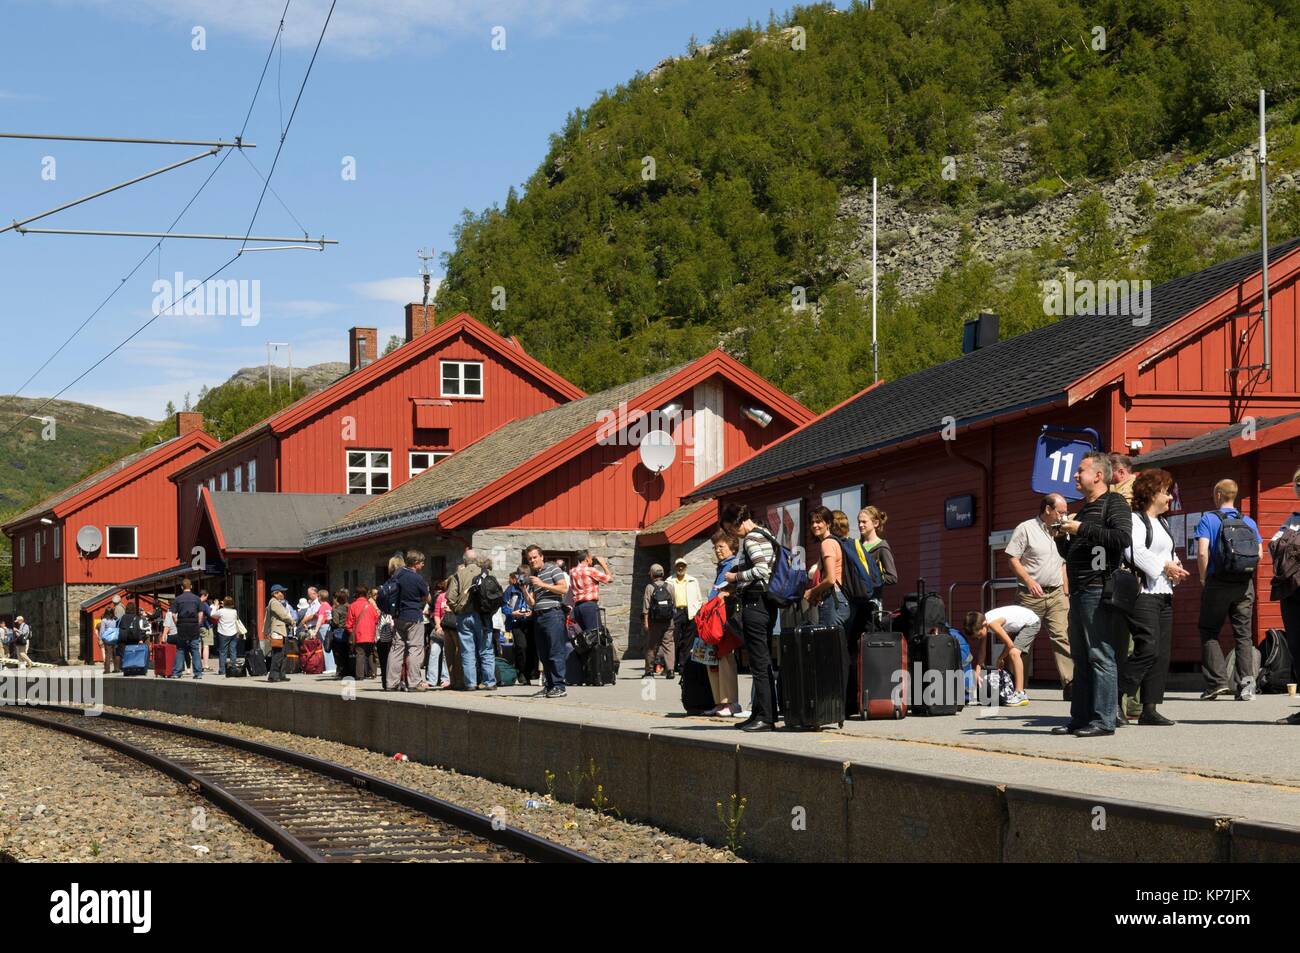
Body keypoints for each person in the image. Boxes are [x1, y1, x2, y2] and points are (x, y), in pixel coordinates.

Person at [1052, 451, 1132, 737]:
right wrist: (1063, 539)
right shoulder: (1084, 509)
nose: (1075, 475)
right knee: (1082, 657)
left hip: (1099, 587)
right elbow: (1076, 550)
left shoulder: (1114, 502)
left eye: (1081, 470)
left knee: (1100, 654)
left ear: (1098, 475)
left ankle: (1104, 720)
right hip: (1080, 590)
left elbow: (1122, 539)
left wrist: (1081, 528)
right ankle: (1080, 718)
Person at [1119, 468, 1188, 726]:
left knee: (1161, 653)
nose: (1170, 498)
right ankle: (1115, 695)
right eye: (1166, 492)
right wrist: (1163, 568)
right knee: (1147, 648)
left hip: (1164, 593)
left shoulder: (1164, 523)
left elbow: (1168, 553)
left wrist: (1176, 567)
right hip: (1143, 593)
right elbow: (1132, 550)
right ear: (1151, 493)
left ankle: (1150, 708)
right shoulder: (1136, 520)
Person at [1192, 479, 1263, 701]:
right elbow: (1259, 554)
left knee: (1209, 630)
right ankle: (1247, 684)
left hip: (1218, 582)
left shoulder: (1209, 519)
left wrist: (1204, 577)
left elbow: (1203, 553)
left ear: (1219, 495)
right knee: (1243, 635)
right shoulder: (1248, 521)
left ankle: (1217, 683)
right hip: (1243, 584)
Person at [1006, 493, 1073, 700]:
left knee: (1063, 637)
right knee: (1023, 641)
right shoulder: (1026, 528)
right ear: (1048, 510)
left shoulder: (1063, 531)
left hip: (1056, 594)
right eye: (1061, 512)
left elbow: (1063, 563)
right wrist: (1029, 581)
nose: (1064, 516)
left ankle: (1071, 686)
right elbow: (1012, 558)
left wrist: (1066, 592)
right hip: (1030, 595)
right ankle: (1018, 687)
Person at [721, 502, 779, 732]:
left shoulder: (753, 538)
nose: (732, 534)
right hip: (765, 604)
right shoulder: (766, 533)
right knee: (760, 661)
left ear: (738, 522)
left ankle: (765, 716)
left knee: (759, 661)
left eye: (731, 529)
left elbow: (762, 570)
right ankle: (759, 712)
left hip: (756, 605)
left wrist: (734, 577)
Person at [694, 529, 742, 717]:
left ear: (732, 547)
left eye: (721, 546)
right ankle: (719, 701)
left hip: (724, 618)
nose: (717, 550)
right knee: (713, 659)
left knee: (725, 659)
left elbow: (734, 589)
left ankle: (730, 702)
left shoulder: (735, 565)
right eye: (715, 547)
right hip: (714, 618)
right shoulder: (722, 566)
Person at [1270, 467, 1300, 725]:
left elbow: (1279, 544)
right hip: (1291, 590)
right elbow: (1273, 544)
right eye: (1298, 484)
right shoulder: (1292, 519)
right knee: (1297, 646)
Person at [963, 606, 1038, 706]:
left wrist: (1000, 658)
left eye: (979, 634)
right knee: (1009, 654)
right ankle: (1011, 690)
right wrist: (978, 670)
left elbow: (1010, 645)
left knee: (1013, 653)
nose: (979, 637)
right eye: (977, 637)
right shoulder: (983, 622)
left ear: (984, 624)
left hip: (1031, 623)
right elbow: (982, 650)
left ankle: (1020, 693)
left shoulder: (993, 623)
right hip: (1018, 626)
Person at [380, 551, 431, 691]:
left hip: (398, 616)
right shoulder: (417, 578)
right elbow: (427, 598)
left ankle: (391, 683)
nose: (423, 564)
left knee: (396, 649)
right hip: (414, 616)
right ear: (415, 563)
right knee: (415, 649)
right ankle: (414, 682)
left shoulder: (397, 575)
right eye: (421, 562)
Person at [522, 544, 569, 698]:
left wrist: (542, 584)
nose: (532, 561)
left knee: (555, 651)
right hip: (539, 615)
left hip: (553, 614)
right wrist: (524, 590)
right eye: (530, 559)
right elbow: (533, 603)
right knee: (543, 653)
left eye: (535, 557)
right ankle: (549, 686)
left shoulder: (553, 569)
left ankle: (559, 686)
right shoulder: (536, 575)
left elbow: (563, 588)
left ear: (542, 557)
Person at [805, 506, 848, 629]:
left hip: (834, 599)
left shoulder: (827, 544)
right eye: (812, 522)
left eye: (818, 521)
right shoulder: (835, 541)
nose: (814, 525)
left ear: (828, 523)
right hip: (841, 599)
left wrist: (811, 592)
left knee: (828, 644)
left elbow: (830, 579)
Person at [668, 558, 703, 675]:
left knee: (688, 641)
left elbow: (699, 598)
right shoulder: (669, 581)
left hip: (690, 612)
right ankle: (673, 665)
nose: (680, 568)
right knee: (675, 639)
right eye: (678, 566)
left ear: (686, 567)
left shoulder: (693, 580)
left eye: (682, 566)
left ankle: (684, 666)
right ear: (675, 567)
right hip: (675, 612)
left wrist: (696, 609)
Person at [642, 564, 675, 678]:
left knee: (651, 645)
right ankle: (670, 670)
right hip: (668, 620)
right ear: (662, 574)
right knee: (669, 644)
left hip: (654, 621)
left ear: (651, 574)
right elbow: (673, 603)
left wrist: (646, 622)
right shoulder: (670, 586)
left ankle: (649, 670)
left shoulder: (650, 587)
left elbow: (646, 607)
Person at [569, 550, 612, 633]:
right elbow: (609, 579)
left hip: (577, 607)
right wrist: (603, 564)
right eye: (591, 558)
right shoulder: (590, 570)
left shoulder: (572, 571)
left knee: (585, 637)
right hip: (589, 606)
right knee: (595, 636)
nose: (592, 560)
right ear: (587, 559)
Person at [376, 554, 403, 689]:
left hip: (385, 620)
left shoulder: (386, 585)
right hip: (399, 618)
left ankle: (385, 681)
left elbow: (379, 603)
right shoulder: (402, 583)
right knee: (399, 651)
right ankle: (397, 680)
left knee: (384, 650)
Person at [503, 571, 533, 686]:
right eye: (521, 577)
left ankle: (528, 674)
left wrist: (532, 613)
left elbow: (536, 604)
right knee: (521, 647)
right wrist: (512, 613)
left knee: (531, 649)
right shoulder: (511, 590)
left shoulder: (533, 588)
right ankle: (521, 672)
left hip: (530, 622)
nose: (523, 580)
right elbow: (503, 607)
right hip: (516, 622)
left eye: (525, 577)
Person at [171, 579, 204, 679]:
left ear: (182, 587)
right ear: (191, 587)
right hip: (193, 625)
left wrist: (177, 623)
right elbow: (201, 613)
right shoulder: (197, 599)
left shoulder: (178, 599)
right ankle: (198, 673)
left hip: (182, 625)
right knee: (195, 649)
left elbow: (173, 614)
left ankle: (177, 672)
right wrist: (197, 624)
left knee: (180, 649)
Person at [263, 584, 295, 681]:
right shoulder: (274, 602)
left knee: (283, 654)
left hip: (281, 631)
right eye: (281, 592)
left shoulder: (275, 602)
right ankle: (274, 675)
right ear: (275, 593)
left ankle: (281, 674)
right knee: (278, 654)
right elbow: (283, 615)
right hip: (278, 631)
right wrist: (292, 621)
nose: (283, 594)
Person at [347, 587, 379, 679]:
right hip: (370, 633)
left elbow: (349, 622)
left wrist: (350, 632)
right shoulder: (370, 606)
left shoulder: (353, 605)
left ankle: (360, 675)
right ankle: (373, 673)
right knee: (370, 653)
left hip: (358, 633)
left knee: (360, 654)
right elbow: (376, 619)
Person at [426, 578, 452, 689]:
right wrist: (437, 625)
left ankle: (445, 679)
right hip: (439, 629)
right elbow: (436, 613)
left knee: (446, 655)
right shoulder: (441, 597)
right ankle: (431, 679)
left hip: (449, 629)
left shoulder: (456, 598)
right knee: (434, 652)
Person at [214, 596, 241, 676]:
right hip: (233, 633)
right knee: (233, 651)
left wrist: (216, 606)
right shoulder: (234, 611)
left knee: (223, 652)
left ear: (224, 603)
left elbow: (212, 614)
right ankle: (233, 668)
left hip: (223, 633)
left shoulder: (221, 611)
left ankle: (222, 670)